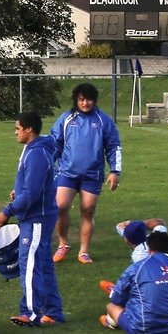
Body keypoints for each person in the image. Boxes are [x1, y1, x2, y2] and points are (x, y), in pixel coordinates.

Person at [0, 111, 62, 327]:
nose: (15, 133)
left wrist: (7, 211)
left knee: (29, 265)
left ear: (29, 129)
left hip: (36, 219)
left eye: (17, 129)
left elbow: (32, 194)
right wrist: (18, 190)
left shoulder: (37, 154)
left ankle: (30, 314)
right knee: (44, 264)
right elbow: (31, 186)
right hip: (38, 216)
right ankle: (53, 311)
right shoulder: (32, 149)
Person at [50, 83, 122, 264]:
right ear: (76, 100)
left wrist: (114, 171)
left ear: (94, 100)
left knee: (88, 210)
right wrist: (47, 164)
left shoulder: (103, 120)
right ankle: (63, 244)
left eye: (89, 99)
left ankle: (83, 251)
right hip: (67, 172)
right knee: (60, 206)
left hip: (92, 174)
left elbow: (114, 147)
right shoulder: (66, 118)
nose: (85, 103)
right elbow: (55, 144)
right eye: (82, 99)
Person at [99, 229, 168, 332]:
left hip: (143, 328)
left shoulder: (137, 267)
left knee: (112, 306)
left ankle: (112, 322)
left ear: (149, 249)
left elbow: (117, 299)